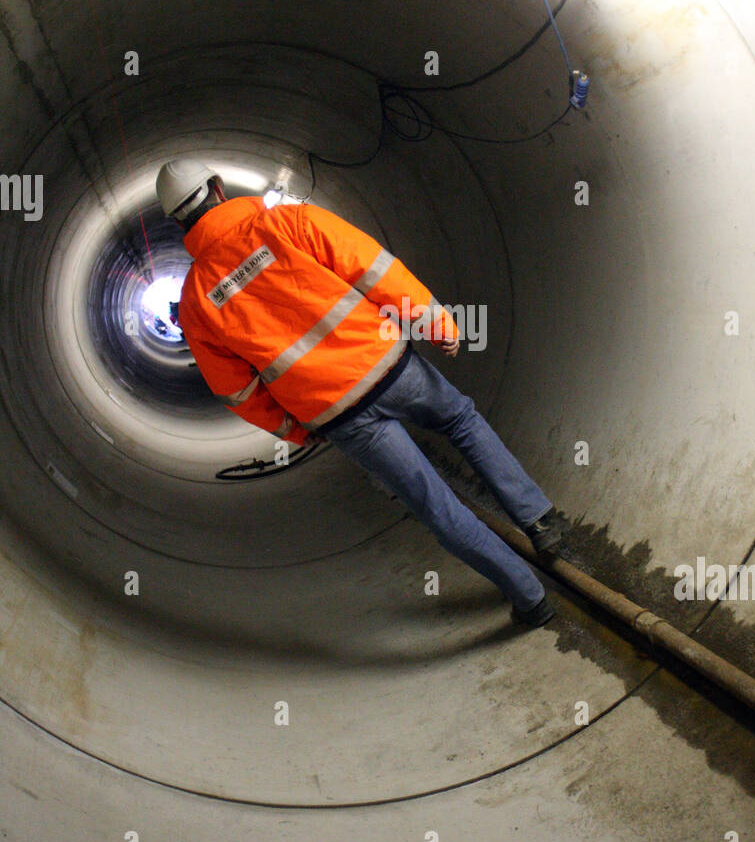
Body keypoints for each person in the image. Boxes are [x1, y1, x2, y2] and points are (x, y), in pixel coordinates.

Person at [156, 159, 566, 627]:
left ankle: (530, 599)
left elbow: (235, 389)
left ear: (177, 222)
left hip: (337, 415)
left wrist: (293, 429)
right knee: (460, 421)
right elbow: (373, 268)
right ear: (218, 187)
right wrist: (432, 320)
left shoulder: (196, 302)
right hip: (389, 367)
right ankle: (541, 522)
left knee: (435, 504)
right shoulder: (288, 221)